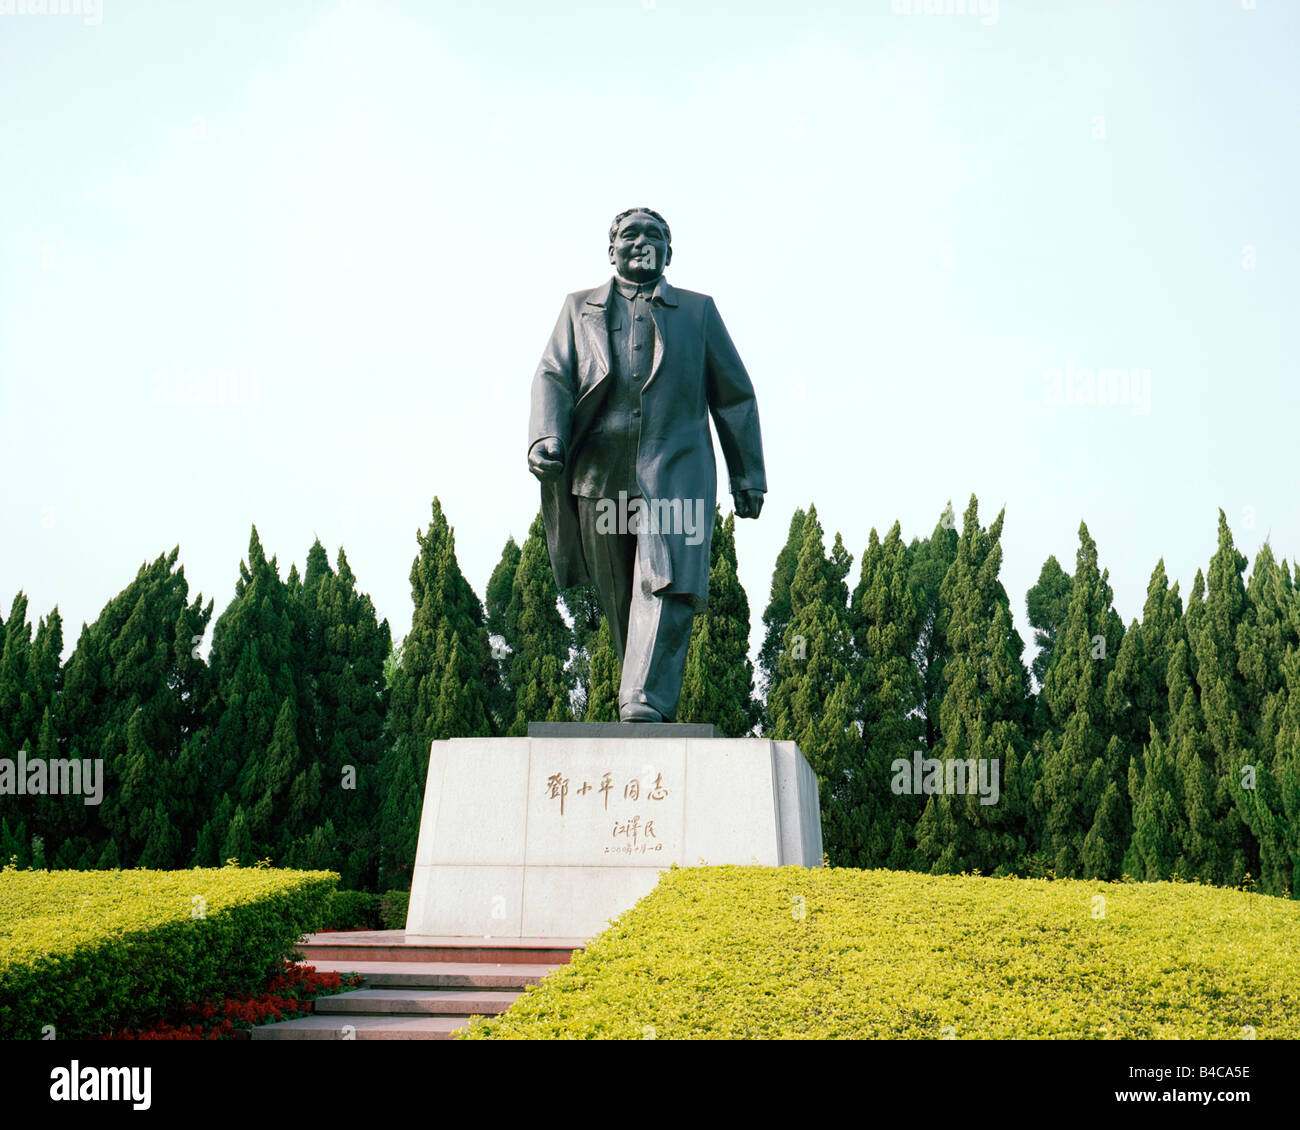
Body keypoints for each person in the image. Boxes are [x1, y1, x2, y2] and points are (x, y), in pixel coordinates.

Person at [528, 208, 766, 722]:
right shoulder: (578, 308)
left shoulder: (698, 313)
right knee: (619, 592)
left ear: (669, 254)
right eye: (630, 235)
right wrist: (548, 437)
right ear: (610, 249)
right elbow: (554, 375)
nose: (642, 243)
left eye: (654, 236)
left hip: (674, 471)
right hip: (599, 472)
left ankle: (643, 697)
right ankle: (636, 684)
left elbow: (734, 397)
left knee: (666, 579)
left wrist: (747, 476)